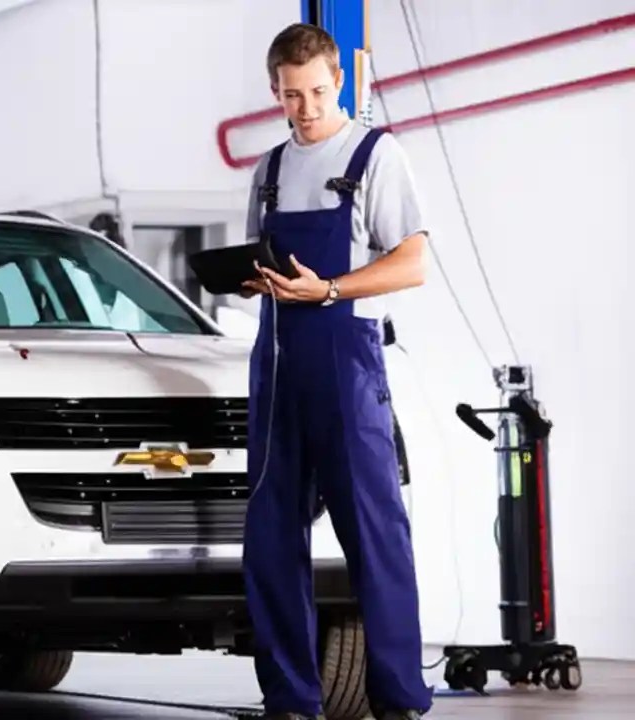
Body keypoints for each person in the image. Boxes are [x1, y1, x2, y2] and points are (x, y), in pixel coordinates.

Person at [239, 23, 433, 720]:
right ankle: (290, 699)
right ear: (275, 92)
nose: (307, 107)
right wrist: (252, 280)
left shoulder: (377, 155)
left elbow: (410, 263)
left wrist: (326, 289)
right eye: (292, 96)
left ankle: (398, 698)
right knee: (270, 534)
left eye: (317, 91)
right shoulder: (265, 169)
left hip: (344, 362)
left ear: (338, 82)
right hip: (277, 360)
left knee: (373, 531)